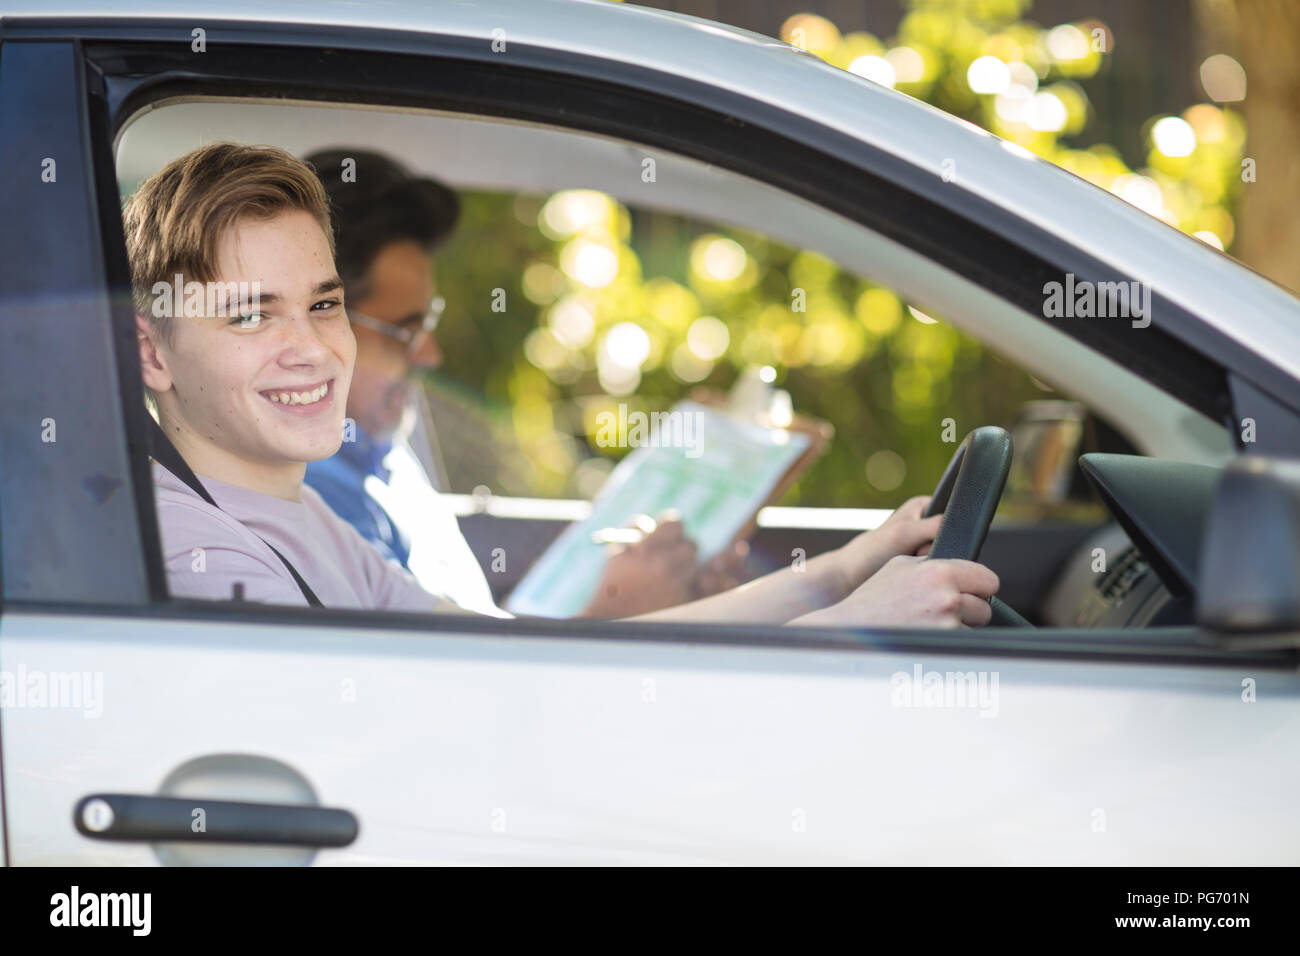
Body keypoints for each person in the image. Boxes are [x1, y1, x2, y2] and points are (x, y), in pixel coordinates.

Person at [127, 142, 1000, 628]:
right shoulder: (208, 561)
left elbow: (503, 667)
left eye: (324, 306)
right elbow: (499, 723)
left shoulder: (292, 514)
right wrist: (850, 629)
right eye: (250, 315)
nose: (313, 349)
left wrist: (838, 577)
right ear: (153, 354)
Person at [299, 149, 742, 617]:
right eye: (403, 330)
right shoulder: (312, 499)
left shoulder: (385, 455)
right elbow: (425, 685)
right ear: (318, 328)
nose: (430, 354)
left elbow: (469, 638)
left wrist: (650, 598)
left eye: (429, 323)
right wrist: (609, 616)